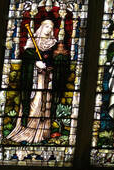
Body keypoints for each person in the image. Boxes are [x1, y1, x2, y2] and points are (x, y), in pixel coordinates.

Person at [5, 11, 70, 146]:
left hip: (48, 79)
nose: (49, 29)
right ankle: (26, 132)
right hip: (36, 78)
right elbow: (28, 56)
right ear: (41, 27)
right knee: (35, 102)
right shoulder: (32, 42)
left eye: (51, 28)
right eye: (47, 26)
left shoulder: (54, 43)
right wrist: (35, 62)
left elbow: (58, 58)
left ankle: (42, 134)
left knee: (45, 104)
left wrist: (54, 63)